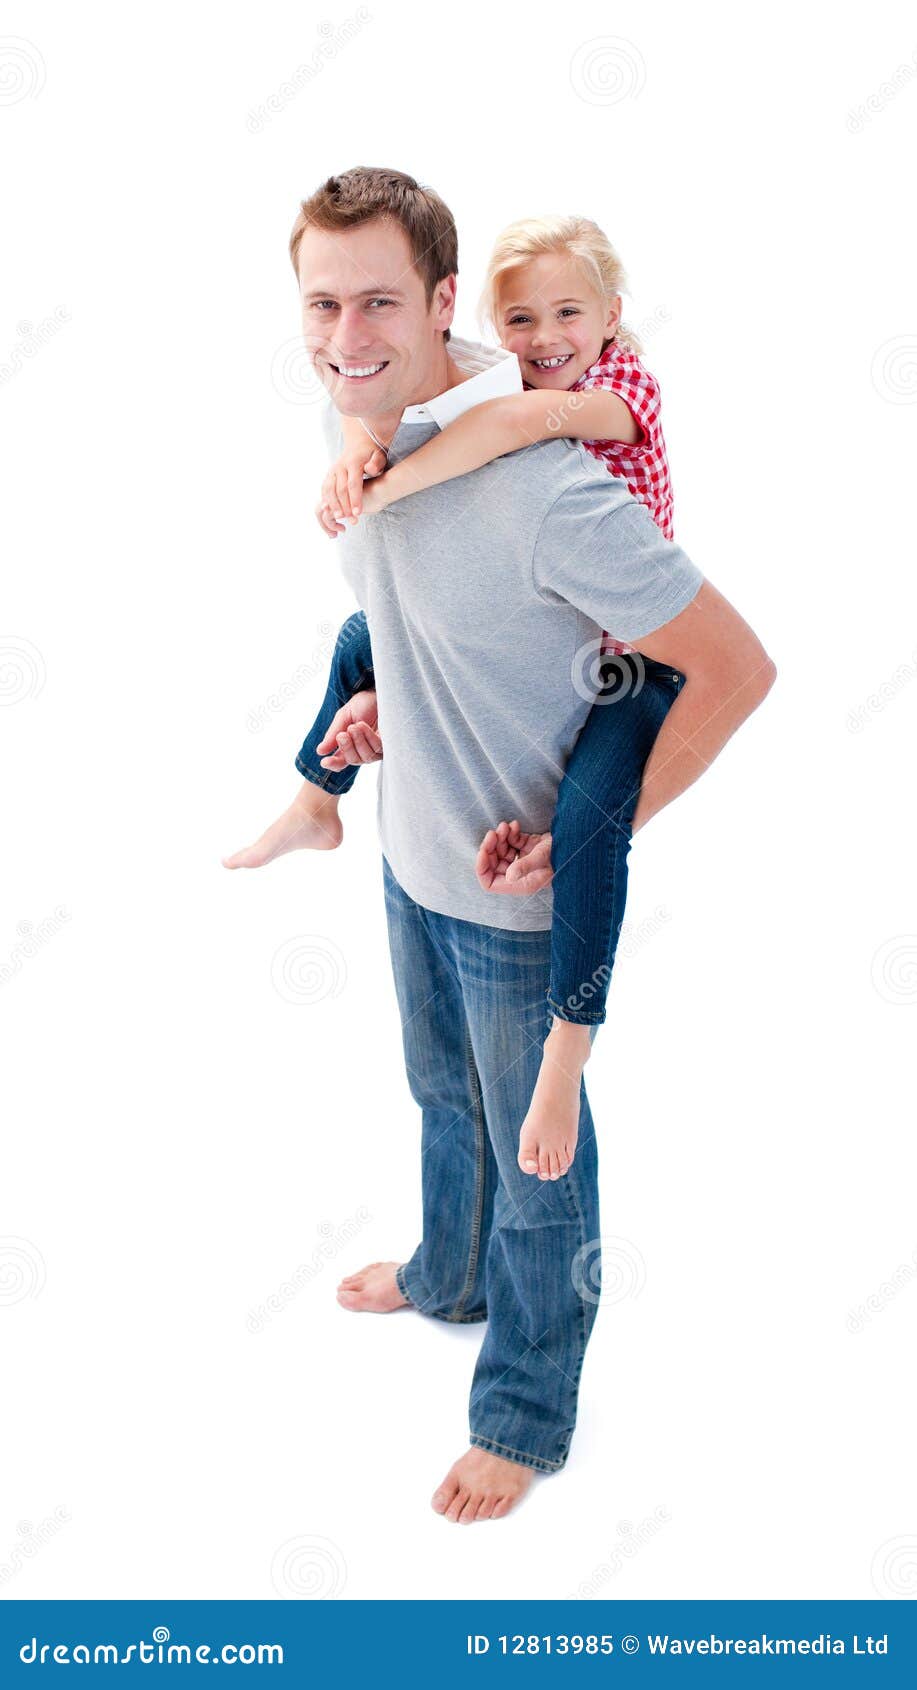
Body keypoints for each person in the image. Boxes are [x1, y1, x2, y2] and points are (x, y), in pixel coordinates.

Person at [227, 167, 776, 1524]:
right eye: (322, 304)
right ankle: (446, 1276)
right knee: (443, 1103)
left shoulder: (551, 489)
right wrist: (375, 714)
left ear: (442, 303)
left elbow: (736, 669)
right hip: (410, 857)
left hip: (511, 896)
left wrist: (603, 831)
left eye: (379, 305)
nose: (345, 337)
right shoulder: (366, 414)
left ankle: (525, 1411)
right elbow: (418, 608)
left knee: (540, 1173)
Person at [226, 214, 687, 1185]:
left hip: (631, 664)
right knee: (363, 638)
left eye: (569, 311)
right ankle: (317, 800)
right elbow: (405, 392)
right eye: (519, 317)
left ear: (611, 315)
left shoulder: (611, 390)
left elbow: (509, 425)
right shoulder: (512, 369)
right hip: (549, 640)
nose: (542, 336)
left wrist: (381, 489)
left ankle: (566, 1051)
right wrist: (355, 443)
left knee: (589, 823)